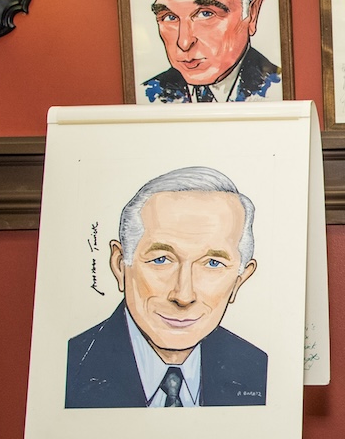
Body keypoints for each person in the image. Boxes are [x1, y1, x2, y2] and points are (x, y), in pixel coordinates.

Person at [66, 166, 267, 409]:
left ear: (239, 280)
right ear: (120, 266)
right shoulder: (70, 366)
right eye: (161, 260)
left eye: (213, 263)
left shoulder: (259, 370)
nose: (183, 295)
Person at [144, 0, 282, 103]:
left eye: (206, 14)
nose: (184, 43)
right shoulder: (150, 93)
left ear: (252, 13)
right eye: (170, 17)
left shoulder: (276, 87)